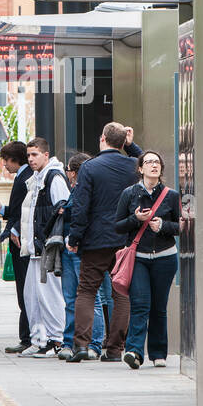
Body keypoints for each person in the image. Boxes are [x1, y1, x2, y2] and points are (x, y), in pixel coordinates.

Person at [67, 122, 143, 362]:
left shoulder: (90, 167)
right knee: (121, 292)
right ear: (122, 142)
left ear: (102, 138)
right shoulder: (133, 165)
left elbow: (81, 206)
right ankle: (114, 349)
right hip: (124, 239)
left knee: (87, 290)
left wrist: (75, 237)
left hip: (95, 239)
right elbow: (149, 163)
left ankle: (81, 345)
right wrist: (131, 147)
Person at [114, 150, 182, 369]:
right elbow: (117, 226)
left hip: (165, 257)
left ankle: (158, 352)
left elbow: (180, 227)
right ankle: (133, 351)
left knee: (159, 307)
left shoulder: (171, 195)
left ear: (161, 168)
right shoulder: (129, 194)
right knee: (140, 303)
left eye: (157, 162)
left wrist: (162, 226)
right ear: (141, 168)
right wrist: (136, 219)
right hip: (139, 258)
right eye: (149, 162)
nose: (154, 165)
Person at [56, 153, 112, 361]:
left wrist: (65, 210)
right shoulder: (76, 189)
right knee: (71, 298)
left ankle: (94, 343)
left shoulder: (87, 189)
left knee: (91, 298)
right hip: (69, 246)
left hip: (82, 248)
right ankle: (69, 342)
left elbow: (79, 212)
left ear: (74, 171)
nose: (68, 174)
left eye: (69, 170)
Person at [17, 138, 69, 357]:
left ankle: (56, 339)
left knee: (50, 296)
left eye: (35, 154)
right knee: (33, 297)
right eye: (29, 155)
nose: (31, 159)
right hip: (35, 247)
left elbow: (63, 208)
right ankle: (40, 339)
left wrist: (51, 238)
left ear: (46, 155)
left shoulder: (53, 177)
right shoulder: (37, 178)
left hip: (47, 246)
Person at [0, 141, 33, 354]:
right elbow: (17, 210)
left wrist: (14, 229)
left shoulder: (25, 178)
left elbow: (25, 212)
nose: (4, 165)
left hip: (21, 242)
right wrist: (1, 209)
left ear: (15, 159)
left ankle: (27, 338)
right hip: (19, 239)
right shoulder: (22, 177)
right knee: (24, 291)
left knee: (25, 291)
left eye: (5, 160)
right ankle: (27, 337)